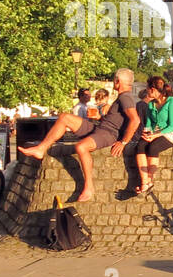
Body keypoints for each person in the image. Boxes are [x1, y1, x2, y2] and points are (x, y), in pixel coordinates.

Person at [18, 67, 139, 201]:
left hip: (108, 134)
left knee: (81, 147)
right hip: (100, 128)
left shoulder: (125, 98)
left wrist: (123, 142)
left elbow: (135, 120)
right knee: (64, 117)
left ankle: (89, 187)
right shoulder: (123, 97)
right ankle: (41, 149)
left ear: (117, 81)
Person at [134, 77, 173, 194]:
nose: (147, 91)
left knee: (153, 147)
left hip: (170, 134)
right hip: (155, 133)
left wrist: (154, 136)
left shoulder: (172, 102)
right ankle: (144, 182)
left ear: (153, 89)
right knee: (140, 145)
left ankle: (150, 179)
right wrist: (147, 133)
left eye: (147, 89)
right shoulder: (151, 104)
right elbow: (149, 123)